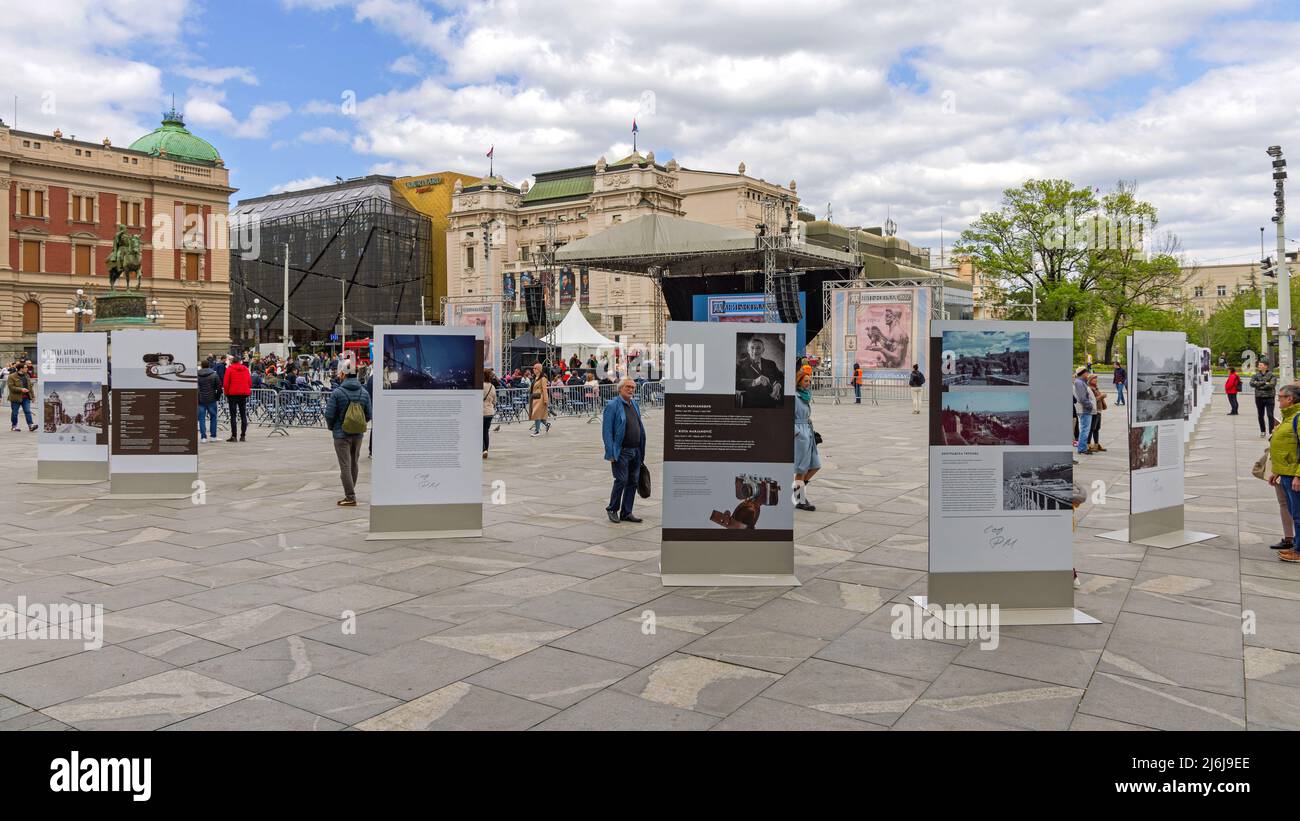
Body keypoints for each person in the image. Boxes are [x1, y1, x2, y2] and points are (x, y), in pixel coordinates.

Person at [324, 359, 371, 507]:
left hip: (341, 434)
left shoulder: (338, 392)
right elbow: (368, 414)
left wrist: (333, 427)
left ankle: (350, 496)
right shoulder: (364, 392)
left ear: (343, 374)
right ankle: (351, 490)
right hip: (357, 434)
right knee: (353, 463)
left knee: (345, 465)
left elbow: (329, 414)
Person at [601, 377, 646, 523]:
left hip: (636, 450)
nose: (631, 389)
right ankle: (612, 509)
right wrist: (610, 452)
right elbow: (607, 431)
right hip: (621, 451)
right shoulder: (613, 405)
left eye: (633, 387)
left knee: (633, 481)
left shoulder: (634, 403)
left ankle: (627, 512)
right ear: (620, 388)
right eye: (628, 387)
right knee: (621, 480)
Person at [1267, 383, 1300, 562]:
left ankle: (1298, 550)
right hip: (1286, 472)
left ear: (1290, 399)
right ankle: (1296, 545)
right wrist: (1278, 471)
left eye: (1280, 397)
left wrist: (1298, 475)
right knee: (1294, 512)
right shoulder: (1289, 416)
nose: (1278, 400)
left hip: (1294, 474)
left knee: (1298, 514)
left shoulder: (1297, 417)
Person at [793, 370, 821, 511]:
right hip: (800, 435)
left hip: (807, 432)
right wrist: (797, 433)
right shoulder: (795, 397)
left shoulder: (805, 396)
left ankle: (797, 489)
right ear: (799, 381)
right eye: (805, 381)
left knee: (816, 465)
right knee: (801, 469)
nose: (808, 383)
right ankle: (800, 499)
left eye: (809, 381)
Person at [735, 335, 784, 408]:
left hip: (771, 403)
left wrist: (778, 385)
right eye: (752, 348)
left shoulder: (771, 363)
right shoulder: (740, 364)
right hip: (750, 404)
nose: (755, 351)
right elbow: (736, 383)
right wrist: (754, 381)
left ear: (763, 350)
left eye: (758, 348)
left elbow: (781, 377)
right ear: (748, 350)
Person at [223, 355, 252, 442]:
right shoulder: (246, 369)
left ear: (232, 362)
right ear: (240, 361)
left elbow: (226, 383)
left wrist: (226, 393)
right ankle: (243, 435)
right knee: (243, 414)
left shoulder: (230, 369)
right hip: (243, 394)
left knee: (233, 416)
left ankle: (234, 436)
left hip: (232, 394)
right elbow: (249, 382)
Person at [196, 358, 221, 443]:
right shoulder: (214, 374)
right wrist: (217, 397)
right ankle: (213, 436)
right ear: (209, 365)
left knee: (201, 418)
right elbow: (219, 388)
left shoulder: (197, 375)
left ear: (201, 366)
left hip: (200, 399)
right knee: (213, 418)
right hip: (211, 398)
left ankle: (203, 437)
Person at [1251, 359, 1278, 438]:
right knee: (1260, 415)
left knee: (1270, 415)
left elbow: (1271, 385)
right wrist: (1264, 382)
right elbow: (1252, 383)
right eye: (1259, 365)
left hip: (1269, 397)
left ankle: (1271, 432)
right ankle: (1262, 431)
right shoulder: (1255, 375)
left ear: (1266, 366)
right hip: (1259, 397)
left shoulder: (1272, 375)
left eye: (1261, 365)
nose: (1259, 366)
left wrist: (1258, 384)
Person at [7, 364, 36, 432]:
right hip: (15, 398)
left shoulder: (27, 375)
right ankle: (14, 426)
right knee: (15, 412)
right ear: (21, 369)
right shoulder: (12, 376)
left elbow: (30, 387)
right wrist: (21, 389)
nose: (27, 369)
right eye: (25, 367)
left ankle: (31, 425)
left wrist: (33, 396)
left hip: (26, 397)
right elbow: (11, 387)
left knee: (27, 411)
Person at [1073, 366, 1094, 456]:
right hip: (1085, 409)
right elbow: (1082, 398)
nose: (1088, 374)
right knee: (1085, 429)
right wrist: (1090, 405)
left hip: (1085, 409)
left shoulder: (1080, 382)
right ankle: (1082, 449)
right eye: (1087, 373)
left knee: (1085, 429)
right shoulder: (1079, 383)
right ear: (1083, 373)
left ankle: (1083, 448)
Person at [1086, 372, 1107, 452]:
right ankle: (1088, 445)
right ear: (1090, 380)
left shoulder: (1095, 388)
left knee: (1097, 428)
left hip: (1099, 410)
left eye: (1096, 378)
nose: (1095, 380)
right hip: (1094, 410)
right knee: (1092, 428)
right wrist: (1101, 396)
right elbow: (1093, 401)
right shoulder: (1090, 388)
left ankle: (1096, 445)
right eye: (1094, 378)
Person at [528, 362, 550, 436]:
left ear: (539, 369)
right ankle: (546, 424)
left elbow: (544, 389)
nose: (533, 369)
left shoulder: (543, 378)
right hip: (535, 397)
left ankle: (537, 431)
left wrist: (546, 400)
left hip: (540, 398)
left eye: (535, 368)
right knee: (539, 415)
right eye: (533, 368)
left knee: (536, 414)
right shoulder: (535, 378)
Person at [482, 368, 497, 458]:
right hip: (490, 412)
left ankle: (483, 449)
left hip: (481, 412)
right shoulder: (492, 387)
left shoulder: (480, 386)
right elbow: (495, 401)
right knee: (485, 432)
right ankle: (486, 449)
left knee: (479, 432)